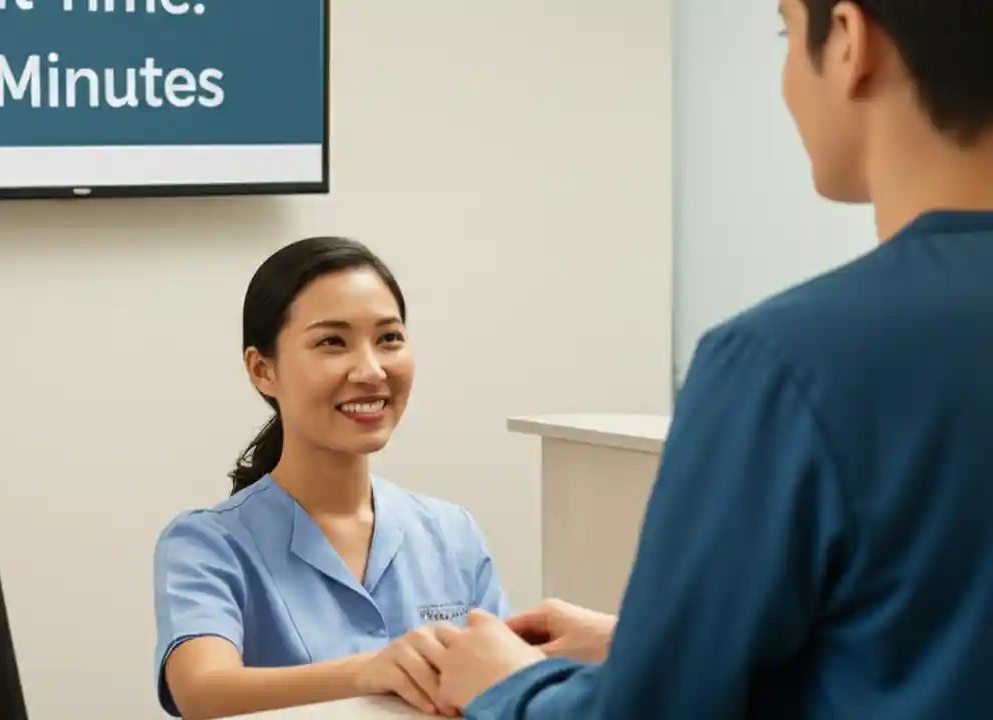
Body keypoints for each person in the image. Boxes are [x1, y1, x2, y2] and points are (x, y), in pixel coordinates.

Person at [422, 0, 993, 717]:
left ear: (849, 42)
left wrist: (507, 687)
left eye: (787, 32)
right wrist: (640, 644)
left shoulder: (783, 363)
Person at [151, 236, 509, 719]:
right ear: (263, 370)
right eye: (331, 342)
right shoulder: (207, 544)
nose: (371, 370)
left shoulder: (451, 533)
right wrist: (369, 673)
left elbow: (507, 687)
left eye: (389, 338)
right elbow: (203, 692)